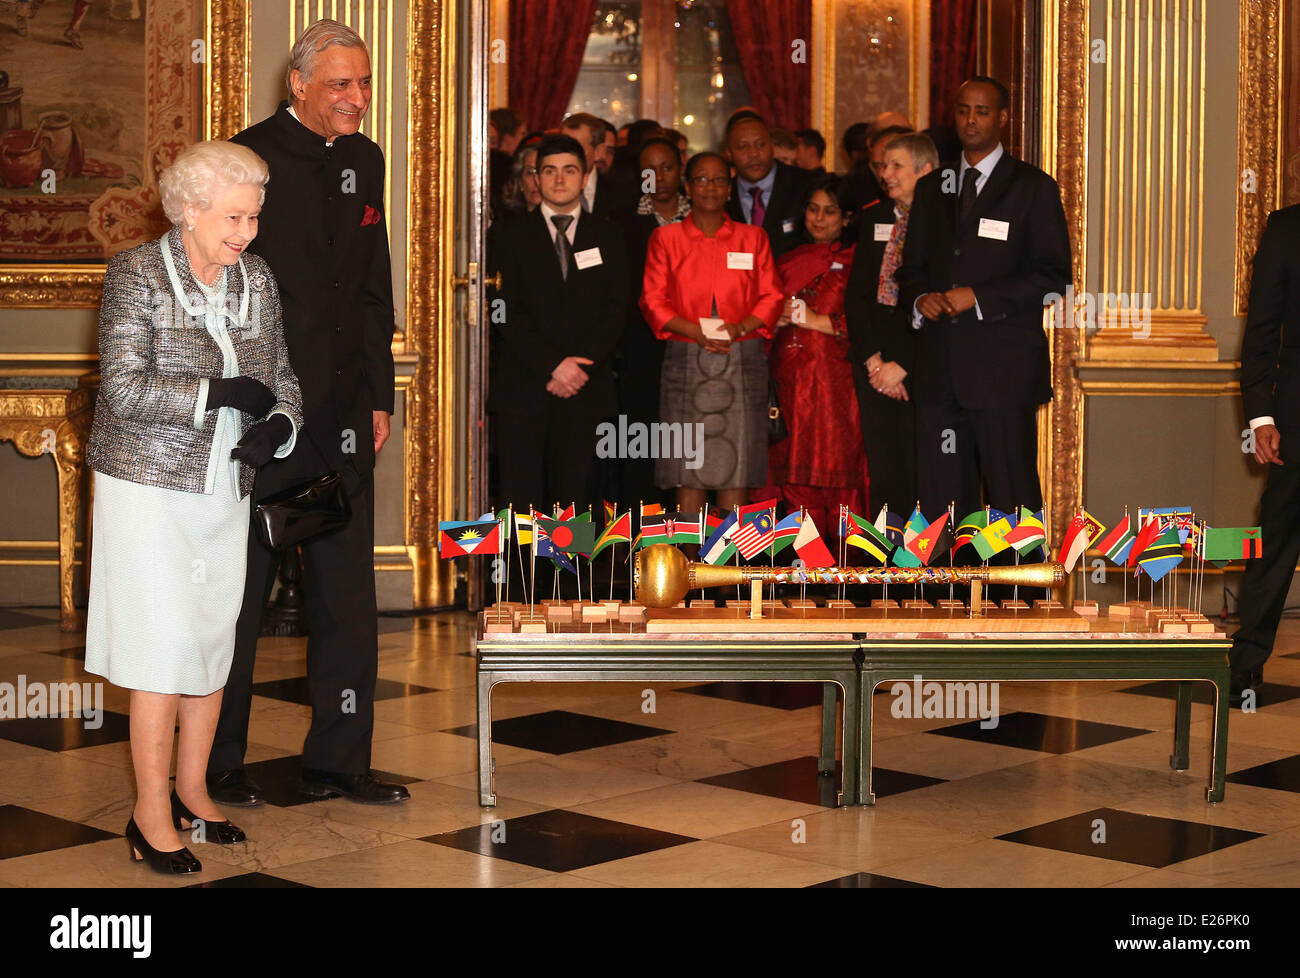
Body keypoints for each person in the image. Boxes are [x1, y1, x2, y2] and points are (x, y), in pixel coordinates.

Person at [85, 140, 302, 873]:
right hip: (145, 488)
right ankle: (149, 814)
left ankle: (192, 790)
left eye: (254, 219)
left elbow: (280, 376)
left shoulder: (258, 280)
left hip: (222, 486)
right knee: (161, 649)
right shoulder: (137, 274)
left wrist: (280, 424)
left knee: (211, 645)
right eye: (233, 217)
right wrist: (218, 394)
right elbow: (123, 388)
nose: (245, 233)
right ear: (189, 209)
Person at [206, 19, 406, 807]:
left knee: (345, 602)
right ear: (299, 86)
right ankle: (217, 763)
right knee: (239, 602)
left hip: (344, 420)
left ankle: (338, 761)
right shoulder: (244, 159)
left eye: (364, 84)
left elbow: (369, 286)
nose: (358, 99)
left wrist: (379, 395)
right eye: (340, 86)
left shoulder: (366, 159)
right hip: (266, 426)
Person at [898, 76, 1071, 519]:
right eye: (962, 110)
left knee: (1011, 496)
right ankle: (944, 590)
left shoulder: (1033, 187)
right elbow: (912, 270)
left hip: (1003, 373)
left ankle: (1020, 590)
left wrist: (977, 296)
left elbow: (1053, 276)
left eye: (982, 111)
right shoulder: (933, 188)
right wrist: (921, 300)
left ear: (1003, 118)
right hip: (939, 371)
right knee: (938, 502)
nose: (970, 119)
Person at [489, 133, 628, 514]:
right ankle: (520, 574)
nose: (559, 179)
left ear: (585, 176)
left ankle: (572, 574)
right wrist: (553, 364)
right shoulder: (506, 234)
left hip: (587, 384)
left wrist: (580, 365)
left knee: (577, 493)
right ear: (535, 178)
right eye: (549, 171)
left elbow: (617, 310)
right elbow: (501, 310)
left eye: (569, 170)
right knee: (520, 493)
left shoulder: (610, 235)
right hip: (525, 384)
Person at [640, 152, 784, 514]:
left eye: (719, 180)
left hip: (742, 356)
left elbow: (772, 296)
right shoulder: (666, 237)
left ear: (729, 187)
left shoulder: (753, 237)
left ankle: (726, 568)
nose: (710, 187)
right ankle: (688, 566)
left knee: (735, 468)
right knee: (688, 469)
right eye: (701, 179)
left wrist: (740, 327)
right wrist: (695, 332)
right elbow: (652, 300)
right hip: (687, 356)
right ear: (688, 186)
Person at [763, 175, 867, 534]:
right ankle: (805, 573)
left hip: (838, 385)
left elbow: (871, 321)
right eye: (812, 209)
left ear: (847, 217)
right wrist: (772, 318)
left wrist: (817, 321)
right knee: (793, 474)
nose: (819, 219)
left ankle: (845, 577)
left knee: (840, 474)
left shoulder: (860, 261)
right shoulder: (789, 260)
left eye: (829, 211)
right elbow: (762, 315)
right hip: (790, 381)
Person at [844, 132, 937, 515]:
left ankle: (929, 572)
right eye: (883, 165)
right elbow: (856, 296)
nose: (886, 174)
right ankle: (889, 569)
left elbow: (940, 302)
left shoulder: (946, 224)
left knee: (925, 473)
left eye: (896, 165)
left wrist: (903, 364)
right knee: (885, 474)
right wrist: (874, 360)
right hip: (875, 367)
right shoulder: (875, 217)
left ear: (926, 171)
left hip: (922, 364)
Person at [1230, 201, 1300, 701]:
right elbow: (1261, 333)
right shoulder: (1287, 229)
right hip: (1297, 424)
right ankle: (1245, 664)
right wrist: (1261, 417)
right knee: (1274, 546)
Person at [617, 135, 691, 506]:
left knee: (693, 444)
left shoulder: (704, 215)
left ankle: (693, 544)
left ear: (681, 168)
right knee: (642, 440)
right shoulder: (622, 219)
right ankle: (642, 537)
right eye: (650, 170)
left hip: (695, 345)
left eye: (667, 167)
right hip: (641, 346)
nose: (659, 177)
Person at [724, 114, 816, 261]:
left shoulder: (806, 184)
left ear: (772, 147)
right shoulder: (721, 195)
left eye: (761, 145)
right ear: (729, 153)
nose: (753, 153)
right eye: (742, 147)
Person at [560, 112, 618, 219]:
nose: (567, 155)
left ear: (597, 152)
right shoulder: (548, 187)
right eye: (562, 147)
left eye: (577, 149)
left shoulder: (619, 195)